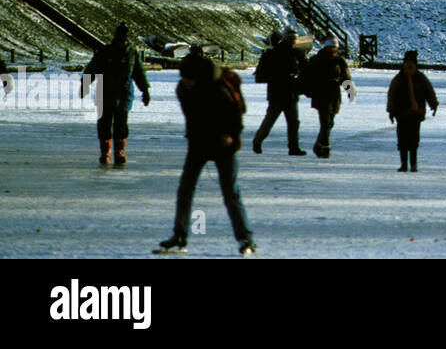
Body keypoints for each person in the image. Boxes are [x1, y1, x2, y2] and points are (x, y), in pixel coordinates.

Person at [157, 49, 255, 255]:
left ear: (199, 77)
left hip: (223, 146)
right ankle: (179, 235)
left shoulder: (218, 88)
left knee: (231, 193)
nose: (187, 82)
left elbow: (235, 115)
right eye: (184, 79)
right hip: (198, 145)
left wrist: (232, 136)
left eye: (190, 79)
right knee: (185, 189)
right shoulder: (183, 89)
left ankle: (246, 239)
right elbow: (192, 118)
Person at [82, 22, 150, 165]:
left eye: (125, 37)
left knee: (121, 124)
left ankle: (119, 152)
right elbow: (93, 68)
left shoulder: (132, 52)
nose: (123, 40)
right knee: (104, 123)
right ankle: (105, 152)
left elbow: (139, 73)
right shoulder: (105, 51)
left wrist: (145, 90)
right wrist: (85, 84)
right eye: (121, 37)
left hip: (124, 93)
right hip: (105, 92)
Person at [252, 29, 308, 156]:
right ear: (286, 39)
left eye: (295, 39)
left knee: (293, 122)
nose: (294, 41)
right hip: (278, 91)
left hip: (288, 92)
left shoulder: (296, 52)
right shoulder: (276, 53)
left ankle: (293, 148)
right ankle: (258, 140)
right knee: (271, 119)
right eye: (291, 38)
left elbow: (305, 69)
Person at [387, 50, 439, 172]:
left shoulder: (420, 78)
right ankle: (404, 164)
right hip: (402, 113)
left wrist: (433, 104)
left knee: (414, 139)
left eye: (411, 63)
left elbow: (429, 92)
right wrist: (391, 111)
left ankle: (413, 164)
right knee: (402, 140)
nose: (408, 66)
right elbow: (392, 95)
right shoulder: (398, 79)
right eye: (407, 63)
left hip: (416, 113)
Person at [305, 37, 352, 159]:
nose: (333, 49)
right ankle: (325, 148)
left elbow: (345, 77)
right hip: (321, 93)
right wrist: (306, 89)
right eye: (331, 47)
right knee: (325, 122)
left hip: (334, 94)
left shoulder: (339, 61)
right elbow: (308, 75)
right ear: (326, 47)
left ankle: (318, 144)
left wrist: (350, 91)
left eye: (335, 47)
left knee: (330, 122)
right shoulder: (317, 60)